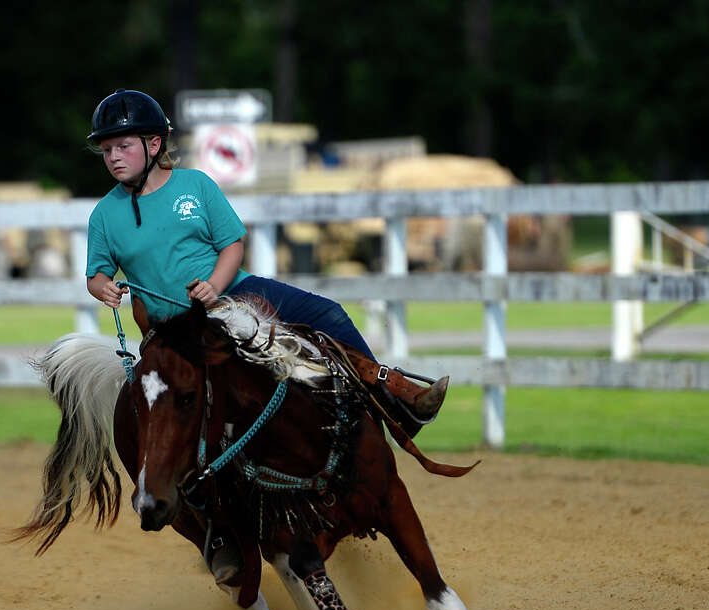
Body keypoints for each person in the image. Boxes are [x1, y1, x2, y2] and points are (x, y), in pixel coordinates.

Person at [84, 89, 447, 579]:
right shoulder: (104, 214)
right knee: (175, 422)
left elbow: (232, 241)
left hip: (234, 295)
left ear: (154, 144)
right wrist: (103, 286)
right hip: (172, 332)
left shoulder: (196, 186)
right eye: (106, 149)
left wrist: (214, 285)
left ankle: (388, 386)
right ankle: (214, 527)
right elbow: (96, 274)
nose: (112, 157)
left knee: (328, 314)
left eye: (122, 146)